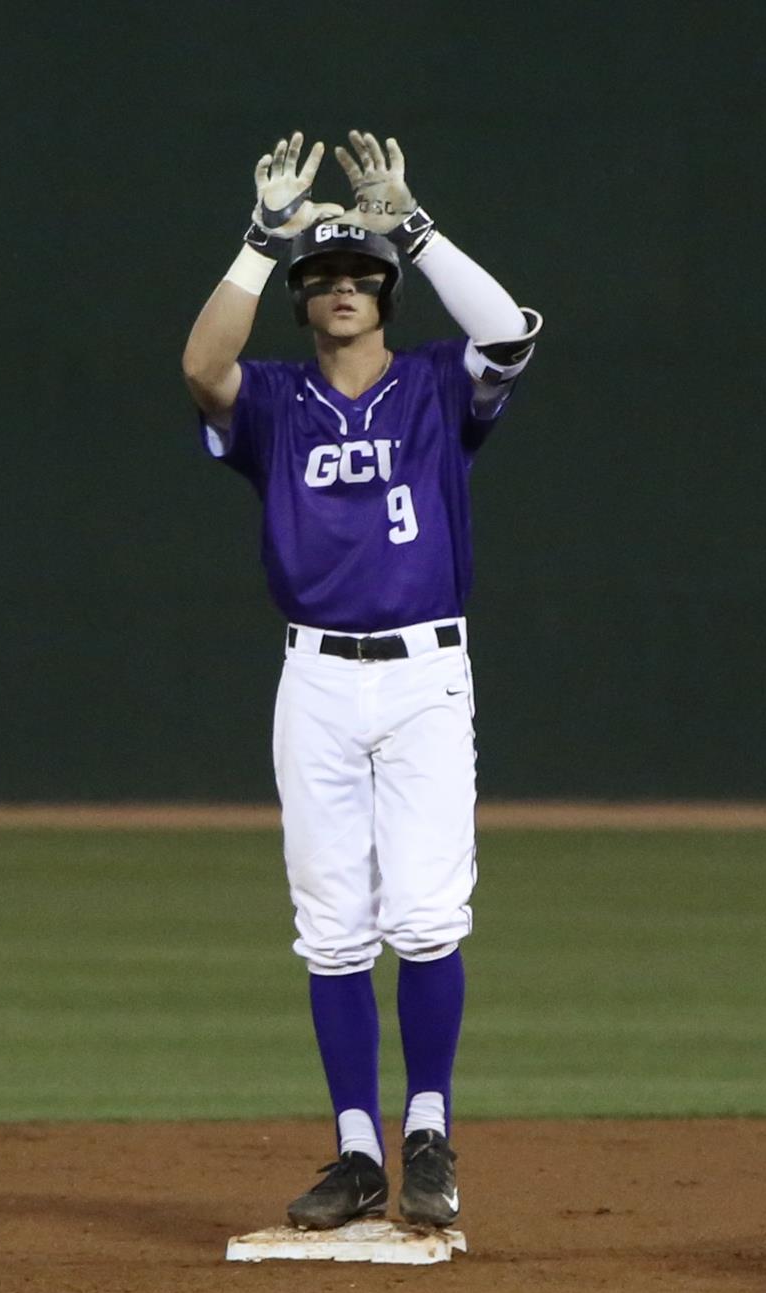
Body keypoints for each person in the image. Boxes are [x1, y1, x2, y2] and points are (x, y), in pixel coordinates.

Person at [180, 130, 540, 1233]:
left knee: (427, 919)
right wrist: (257, 242)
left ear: (384, 292)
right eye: (323, 279)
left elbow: (511, 330)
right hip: (316, 679)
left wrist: (413, 227)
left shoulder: (438, 383)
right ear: (301, 300)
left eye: (358, 277)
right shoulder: (278, 403)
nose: (341, 289)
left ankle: (427, 1135)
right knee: (332, 929)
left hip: (426, 672)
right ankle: (352, 1150)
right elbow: (202, 367)